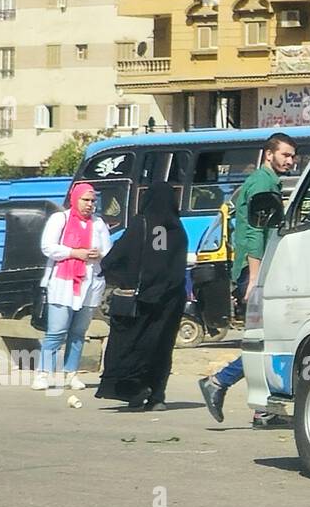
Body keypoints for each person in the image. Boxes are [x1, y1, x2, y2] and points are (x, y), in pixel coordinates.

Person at [199, 132, 296, 427]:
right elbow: (255, 230)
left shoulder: (266, 182)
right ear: (269, 154)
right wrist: (254, 277)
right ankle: (218, 382)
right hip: (256, 270)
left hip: (258, 268)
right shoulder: (262, 183)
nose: (290, 161)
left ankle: (262, 409)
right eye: (285, 155)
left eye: (293, 156)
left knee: (271, 338)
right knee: (268, 339)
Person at [96, 184, 189, 410]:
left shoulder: (143, 224)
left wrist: (115, 274)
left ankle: (134, 389)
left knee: (132, 345)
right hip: (170, 301)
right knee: (161, 347)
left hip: (142, 301)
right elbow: (169, 263)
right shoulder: (176, 229)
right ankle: (157, 395)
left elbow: (117, 257)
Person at [34, 182, 113, 391]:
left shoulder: (98, 224)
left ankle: (71, 373)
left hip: (90, 281)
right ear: (75, 199)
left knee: (78, 332)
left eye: (93, 201)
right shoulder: (60, 219)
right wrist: (74, 253)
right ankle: (43, 373)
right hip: (63, 281)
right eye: (85, 200)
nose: (89, 205)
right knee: (56, 331)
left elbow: (108, 251)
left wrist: (99, 255)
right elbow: (47, 246)